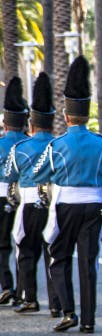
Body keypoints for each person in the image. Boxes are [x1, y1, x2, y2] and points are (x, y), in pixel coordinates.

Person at [33, 57, 102, 333]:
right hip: (93, 205)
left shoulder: (58, 145)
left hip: (65, 204)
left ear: (67, 116)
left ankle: (69, 311)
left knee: (59, 256)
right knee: (88, 264)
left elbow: (37, 174)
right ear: (87, 115)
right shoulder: (101, 143)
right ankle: (89, 320)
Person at [4, 73, 60, 316]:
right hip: (54, 203)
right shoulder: (59, 144)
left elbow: (9, 174)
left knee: (25, 249)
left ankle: (28, 297)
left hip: (25, 202)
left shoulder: (20, 148)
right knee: (52, 253)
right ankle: (57, 302)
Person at [0, 77, 29, 306]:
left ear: (5, 123)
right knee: (23, 245)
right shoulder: (29, 143)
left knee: (2, 245)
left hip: (1, 197)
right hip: (25, 197)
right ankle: (23, 290)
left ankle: (6, 286)